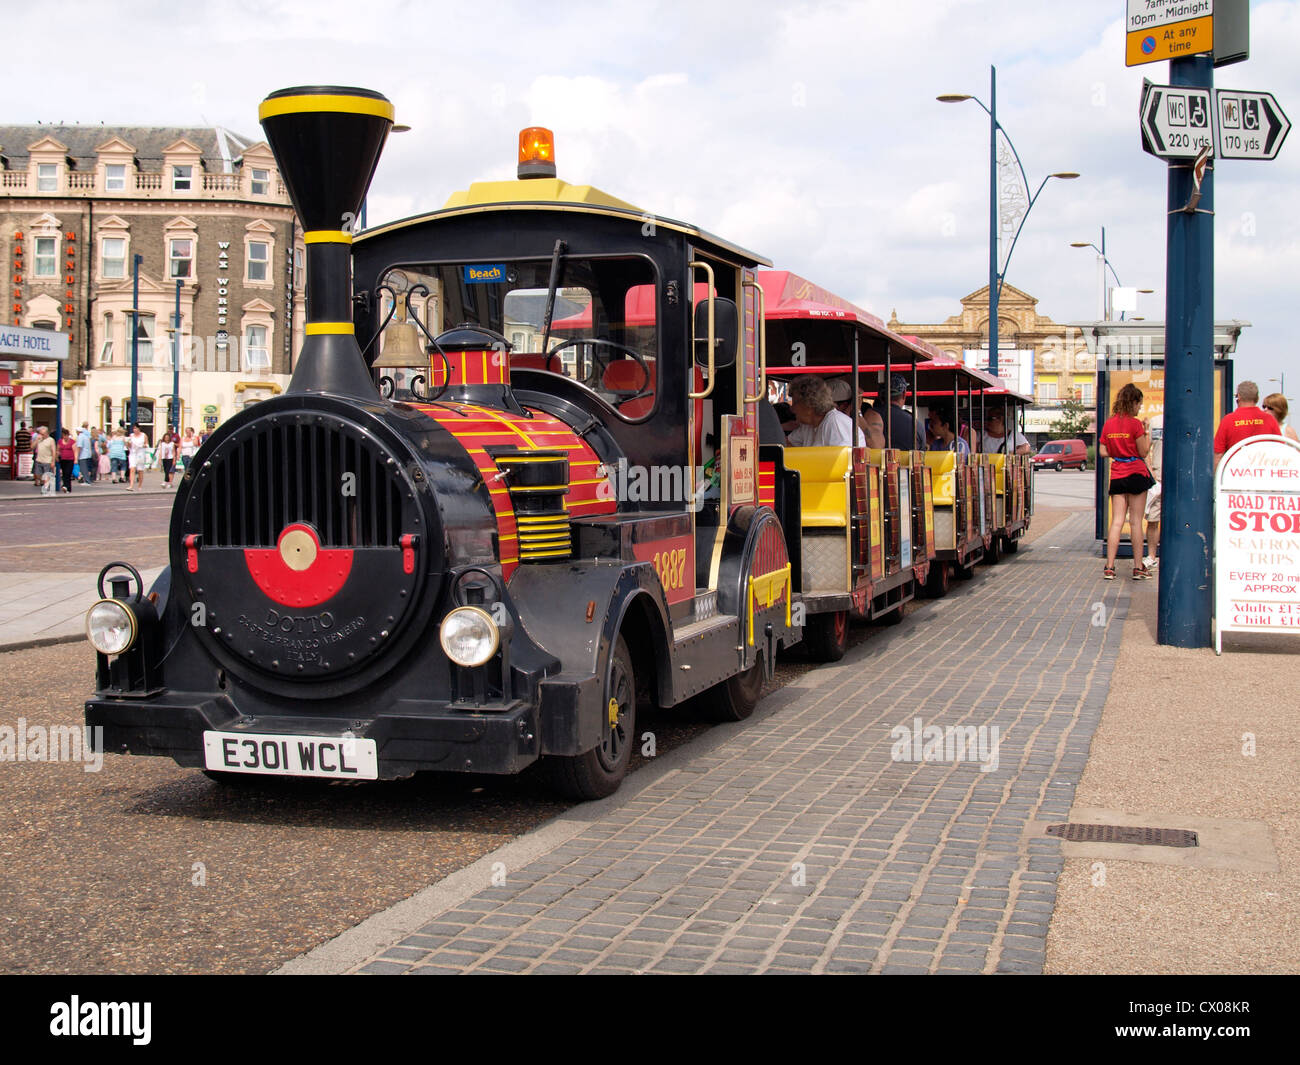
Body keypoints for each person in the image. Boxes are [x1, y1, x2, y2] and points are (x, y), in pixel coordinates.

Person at [1099, 382, 1156, 581]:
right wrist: (1146, 432)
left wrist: (1118, 452)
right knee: (1135, 522)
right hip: (1136, 474)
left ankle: (1109, 566)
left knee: (1116, 521)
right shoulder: (1135, 424)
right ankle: (1138, 567)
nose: (1139, 408)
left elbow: (1102, 451)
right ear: (1132, 402)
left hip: (1117, 474)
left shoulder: (1109, 424)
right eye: (1139, 404)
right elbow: (1143, 451)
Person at [1213, 380, 1280, 470]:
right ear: (1257, 398)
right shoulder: (1269, 420)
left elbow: (1218, 454)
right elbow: (1280, 449)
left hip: (1236, 473)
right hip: (1263, 473)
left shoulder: (1228, 420)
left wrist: (1216, 478)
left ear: (1239, 397)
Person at [787, 377, 860, 447]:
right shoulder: (808, 426)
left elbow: (843, 457)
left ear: (809, 404)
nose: (792, 408)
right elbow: (787, 443)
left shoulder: (835, 423)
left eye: (795, 403)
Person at [874, 373, 924, 451]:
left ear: (880, 395)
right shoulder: (916, 424)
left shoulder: (869, 418)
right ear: (904, 394)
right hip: (908, 463)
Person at [1142, 413, 1163, 571]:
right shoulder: (1156, 422)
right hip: (1159, 476)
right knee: (1153, 518)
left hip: (1178, 478)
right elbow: (1145, 450)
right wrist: (1150, 469)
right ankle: (1151, 556)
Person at [33, 426, 57, 495]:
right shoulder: (39, 439)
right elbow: (32, 447)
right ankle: (45, 484)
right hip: (39, 460)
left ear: (47, 433)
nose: (41, 435)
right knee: (38, 475)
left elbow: (53, 451)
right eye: (40, 433)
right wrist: (36, 440)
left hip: (47, 460)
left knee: (46, 475)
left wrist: (53, 461)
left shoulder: (51, 440)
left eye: (42, 434)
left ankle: (45, 488)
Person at [127, 423, 148, 492]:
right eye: (133, 428)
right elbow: (129, 446)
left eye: (136, 428)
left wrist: (142, 445)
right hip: (133, 454)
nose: (134, 430)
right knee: (132, 469)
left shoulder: (143, 435)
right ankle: (131, 485)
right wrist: (128, 443)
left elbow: (146, 444)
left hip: (140, 454)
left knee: (140, 470)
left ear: (139, 429)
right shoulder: (131, 436)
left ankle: (140, 485)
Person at [57, 428, 77, 494]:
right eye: (63, 436)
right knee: (64, 473)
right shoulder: (60, 441)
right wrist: (57, 456)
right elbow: (58, 449)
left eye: (66, 436)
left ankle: (67, 487)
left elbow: (75, 451)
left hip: (70, 459)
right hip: (63, 459)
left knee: (68, 473)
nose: (64, 437)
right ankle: (65, 486)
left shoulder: (72, 442)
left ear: (68, 435)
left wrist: (76, 459)